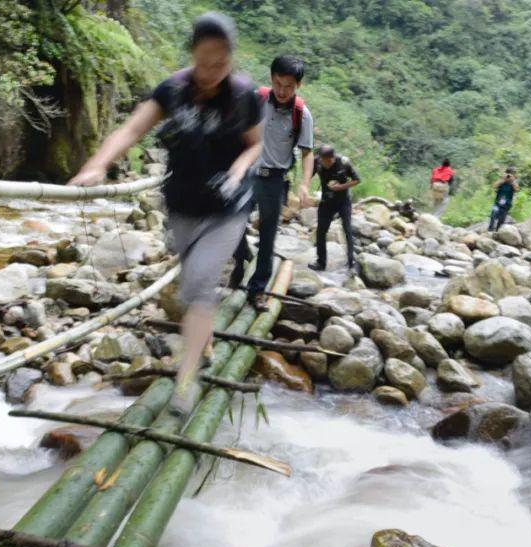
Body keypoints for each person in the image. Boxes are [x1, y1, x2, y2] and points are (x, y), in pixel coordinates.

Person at [68, 12, 262, 415]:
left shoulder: (243, 96)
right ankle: (203, 342)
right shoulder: (172, 90)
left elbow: (257, 145)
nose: (212, 72)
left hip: (228, 208)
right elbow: (131, 130)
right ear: (192, 53)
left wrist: (239, 170)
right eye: (205, 61)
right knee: (193, 285)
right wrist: (97, 165)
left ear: (231, 60)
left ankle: (186, 378)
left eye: (221, 63)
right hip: (183, 204)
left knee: (201, 283)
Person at [230, 54, 315, 309]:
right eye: (278, 84)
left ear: (298, 85)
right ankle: (241, 255)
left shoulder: (302, 115)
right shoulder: (256, 100)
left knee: (267, 236)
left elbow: (307, 152)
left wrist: (304, 185)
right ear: (271, 79)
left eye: (288, 86)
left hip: (274, 181)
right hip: (246, 173)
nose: (282, 90)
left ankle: (257, 290)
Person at [310, 145, 360, 271]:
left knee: (347, 229)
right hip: (326, 201)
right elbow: (308, 175)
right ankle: (321, 262)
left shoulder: (343, 163)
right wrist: (304, 188)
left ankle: (351, 263)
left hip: (343, 201)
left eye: (329, 160)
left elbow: (357, 180)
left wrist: (341, 187)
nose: (327, 163)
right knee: (321, 231)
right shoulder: (317, 162)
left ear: (333, 158)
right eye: (323, 160)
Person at [488, 167, 519, 232]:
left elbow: (516, 189)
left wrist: (512, 181)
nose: (509, 176)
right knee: (493, 215)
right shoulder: (502, 180)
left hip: (507, 205)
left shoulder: (514, 182)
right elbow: (494, 186)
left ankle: (497, 232)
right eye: (508, 174)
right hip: (497, 203)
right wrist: (502, 179)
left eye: (511, 174)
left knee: (501, 220)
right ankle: (490, 231)